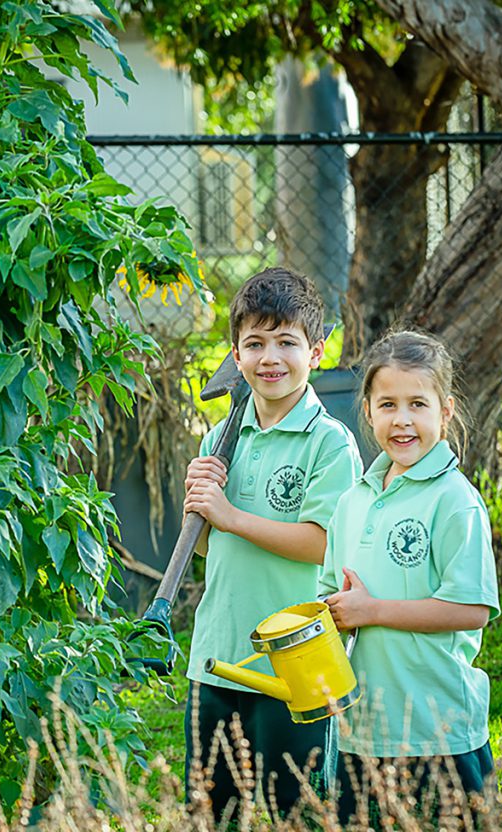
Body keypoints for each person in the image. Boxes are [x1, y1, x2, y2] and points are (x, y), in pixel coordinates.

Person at [182, 268, 363, 821]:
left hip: (298, 663)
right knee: (213, 810)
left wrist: (230, 516)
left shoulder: (330, 443)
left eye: (287, 342)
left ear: (316, 350)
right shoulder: (222, 436)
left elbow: (321, 545)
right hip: (217, 653)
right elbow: (215, 550)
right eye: (254, 344)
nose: (270, 358)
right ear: (235, 355)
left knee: (297, 810)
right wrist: (201, 509)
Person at [318, 330, 500, 822]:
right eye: (388, 404)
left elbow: (471, 608)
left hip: (437, 730)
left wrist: (372, 611)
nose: (402, 420)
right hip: (363, 730)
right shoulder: (353, 501)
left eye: (418, 403)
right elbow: (332, 595)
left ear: (445, 410)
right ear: (369, 410)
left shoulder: (454, 500)